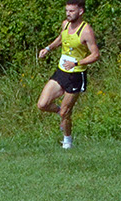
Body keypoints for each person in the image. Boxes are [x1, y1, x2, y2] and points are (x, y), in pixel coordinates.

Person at [37, 1, 100, 149]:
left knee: (66, 111)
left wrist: (77, 63)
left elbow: (95, 55)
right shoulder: (65, 24)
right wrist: (48, 48)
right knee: (42, 104)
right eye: (67, 10)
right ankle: (62, 114)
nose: (68, 13)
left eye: (71, 11)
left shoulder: (86, 31)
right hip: (61, 72)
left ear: (80, 12)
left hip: (76, 76)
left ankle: (67, 143)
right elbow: (61, 38)